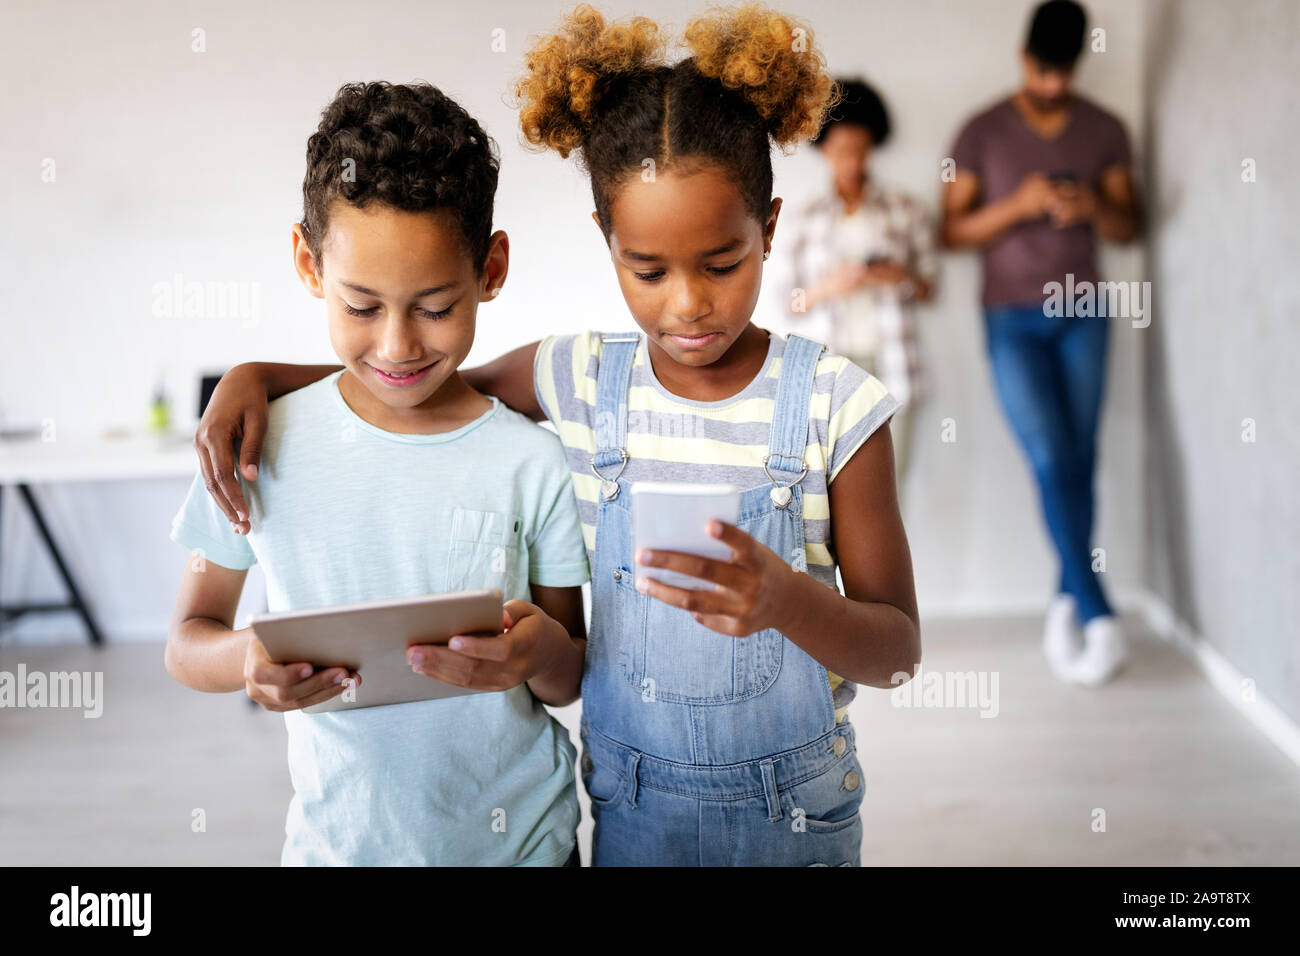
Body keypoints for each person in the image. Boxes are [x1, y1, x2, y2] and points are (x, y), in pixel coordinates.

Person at [191, 3, 920, 866]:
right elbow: (414, 379)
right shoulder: (578, 376)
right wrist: (259, 380)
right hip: (633, 811)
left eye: (722, 263)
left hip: (794, 816)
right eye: (647, 269)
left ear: (768, 229)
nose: (686, 303)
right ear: (607, 244)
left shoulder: (836, 404)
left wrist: (788, 602)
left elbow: (898, 654)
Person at [165, 81, 592, 866]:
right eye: (362, 307)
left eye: (434, 307)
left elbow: (567, 673)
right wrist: (245, 664)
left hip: (525, 847)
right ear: (308, 262)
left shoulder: (531, 461)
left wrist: (535, 655)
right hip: (339, 850)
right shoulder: (256, 445)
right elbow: (188, 641)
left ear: (491, 268)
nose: (398, 346)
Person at [941, 0, 1140, 686]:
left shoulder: (1106, 129)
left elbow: (1129, 225)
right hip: (1010, 319)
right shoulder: (980, 131)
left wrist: (1092, 208)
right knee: (1051, 455)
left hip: (1085, 311)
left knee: (1080, 458)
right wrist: (1018, 207)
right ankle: (1099, 610)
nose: (1052, 84)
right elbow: (951, 232)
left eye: (1064, 73)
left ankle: (1064, 601)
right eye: (1041, 70)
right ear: (1024, 58)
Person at [779, 77, 937, 490]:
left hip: (893, 363)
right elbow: (788, 300)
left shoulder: (905, 209)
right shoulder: (803, 215)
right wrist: (827, 289)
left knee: (889, 486)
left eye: (861, 150)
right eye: (843, 150)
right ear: (824, 149)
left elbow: (929, 288)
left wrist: (898, 277)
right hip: (830, 366)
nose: (853, 161)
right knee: (826, 486)